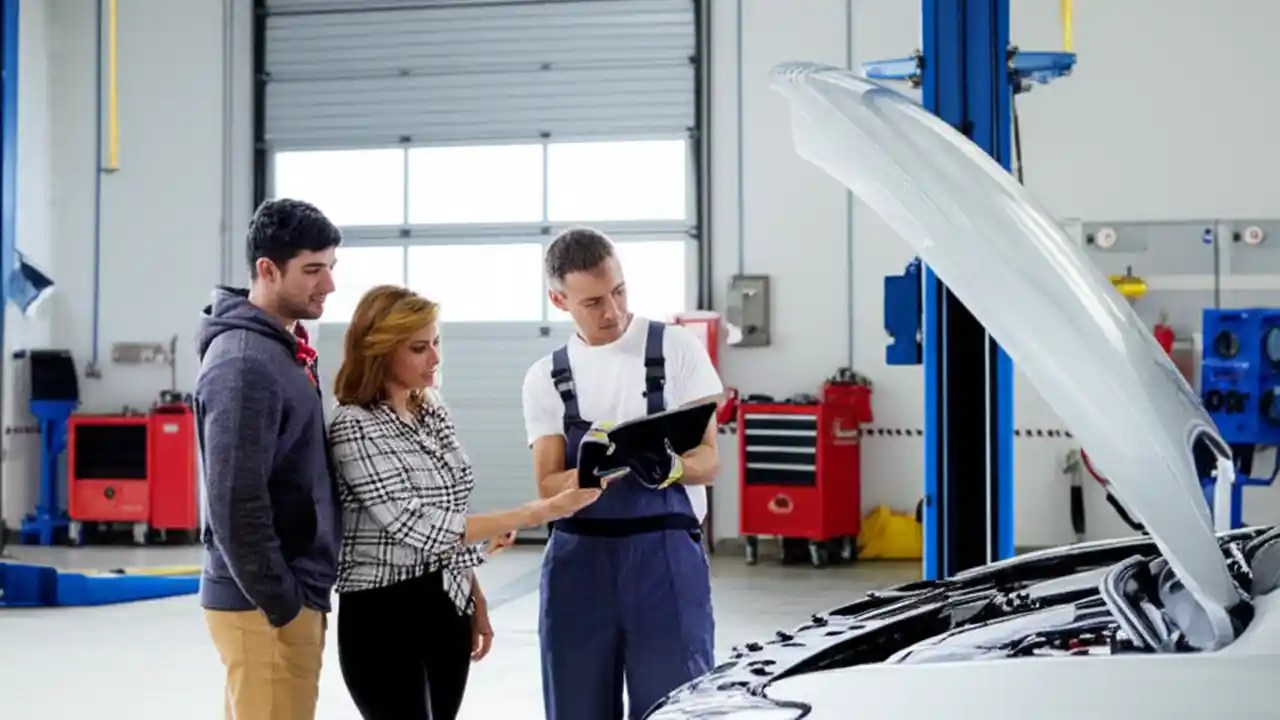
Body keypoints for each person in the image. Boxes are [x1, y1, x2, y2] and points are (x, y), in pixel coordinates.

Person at [327, 284, 602, 720]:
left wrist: (474, 597)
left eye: (436, 342)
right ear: (378, 351)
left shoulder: (429, 409)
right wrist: (538, 511)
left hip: (447, 604)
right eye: (419, 348)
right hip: (384, 614)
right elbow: (418, 526)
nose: (435, 357)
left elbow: (454, 507)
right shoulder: (354, 426)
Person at [521, 227, 725, 720]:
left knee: (676, 705)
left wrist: (674, 467)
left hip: (666, 561)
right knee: (577, 706)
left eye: (618, 291)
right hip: (579, 564)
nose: (611, 311)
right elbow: (547, 483)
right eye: (592, 302)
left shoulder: (675, 348)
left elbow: (710, 460)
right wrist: (591, 473)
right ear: (558, 299)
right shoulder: (546, 376)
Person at [195, 197, 343, 720]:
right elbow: (235, 499)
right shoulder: (243, 364)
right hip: (265, 605)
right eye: (312, 270)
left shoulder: (279, 348)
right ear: (267, 269)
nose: (328, 284)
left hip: (282, 595)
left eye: (331, 268)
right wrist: (283, 603)